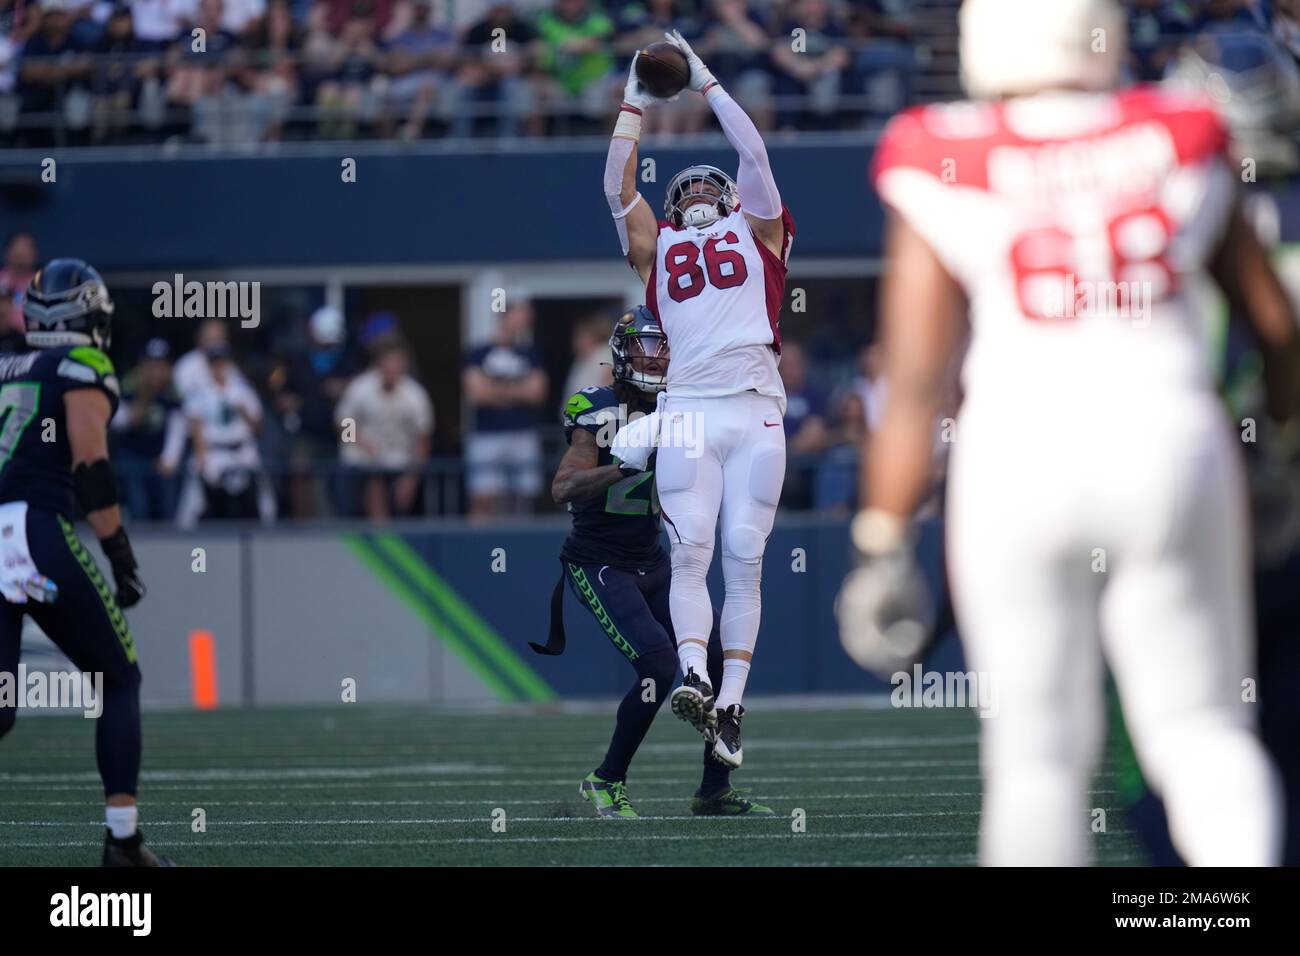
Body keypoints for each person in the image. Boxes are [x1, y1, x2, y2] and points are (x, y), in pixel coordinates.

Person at [836, 0, 1294, 866]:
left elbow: (918, 381)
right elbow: (1273, 328)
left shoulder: (942, 152)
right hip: (1170, 435)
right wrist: (1277, 448)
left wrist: (882, 536)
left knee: (1036, 762)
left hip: (1018, 451)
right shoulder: (1179, 130)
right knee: (1202, 731)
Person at [605, 30, 794, 769]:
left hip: (692, 412)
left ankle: (703, 678)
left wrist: (636, 96)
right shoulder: (755, 233)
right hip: (746, 410)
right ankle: (723, 693)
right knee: (733, 561)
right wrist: (705, 83)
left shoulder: (674, 243)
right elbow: (754, 154)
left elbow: (617, 186)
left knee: (699, 558)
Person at [547, 307, 770, 817]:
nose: (658, 356)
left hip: (653, 559)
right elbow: (563, 487)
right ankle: (607, 779)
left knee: (716, 660)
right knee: (659, 664)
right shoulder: (600, 409)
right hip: (597, 560)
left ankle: (714, 789)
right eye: (647, 346)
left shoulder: (686, 408)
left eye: (665, 346)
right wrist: (621, 465)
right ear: (623, 353)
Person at [0, 259, 168, 866]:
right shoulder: (82, 366)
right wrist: (121, 556)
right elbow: (90, 469)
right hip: (36, 531)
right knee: (119, 676)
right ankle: (122, 843)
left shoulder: (5, 365)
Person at [462, 300, 548, 516]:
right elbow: (476, 394)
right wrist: (518, 390)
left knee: (522, 497)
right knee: (484, 496)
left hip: (522, 433)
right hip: (487, 435)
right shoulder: (479, 353)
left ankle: (517, 545)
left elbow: (537, 393)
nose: (525, 321)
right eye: (520, 315)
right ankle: (479, 544)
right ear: (505, 316)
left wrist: (495, 389)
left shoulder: (529, 353)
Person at [335, 336, 433, 519]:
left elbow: (423, 438)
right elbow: (343, 423)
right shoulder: (360, 388)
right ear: (379, 364)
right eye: (389, 362)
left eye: (398, 363)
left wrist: (412, 478)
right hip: (361, 462)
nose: (393, 368)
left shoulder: (415, 395)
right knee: (370, 478)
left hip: (399, 462)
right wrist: (359, 442)